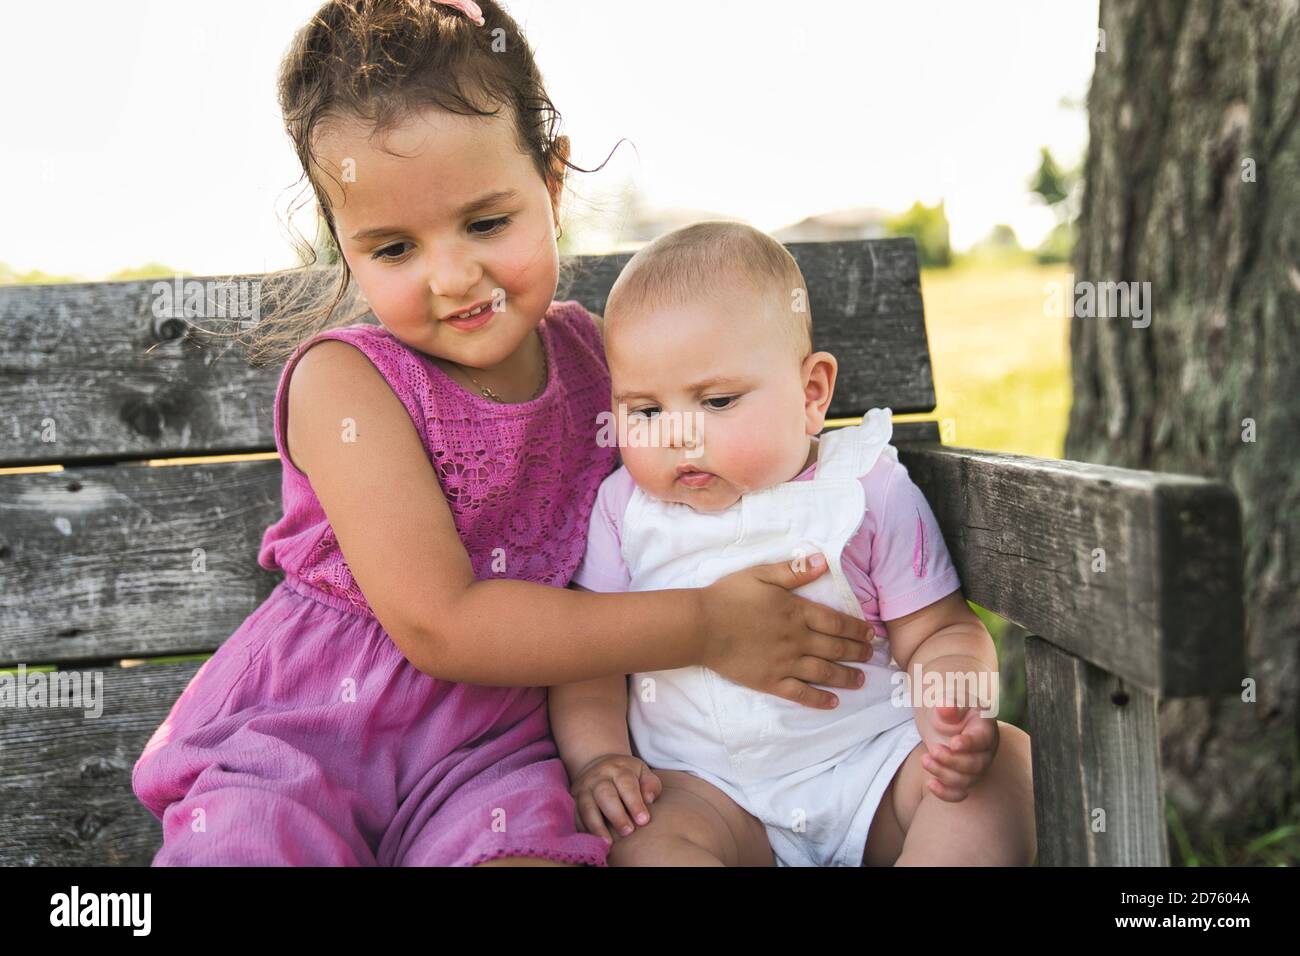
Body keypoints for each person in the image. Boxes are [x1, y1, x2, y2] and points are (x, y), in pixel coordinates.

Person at [130, 0, 876, 867]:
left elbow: (729, 472)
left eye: (487, 223)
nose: (452, 276)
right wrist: (708, 626)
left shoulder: (605, 366)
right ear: (341, 242)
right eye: (394, 249)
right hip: (306, 736)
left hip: (499, 751)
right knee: (253, 849)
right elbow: (442, 624)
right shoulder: (349, 382)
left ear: (552, 185)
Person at [551, 221, 1037, 866]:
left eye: (717, 400)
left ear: (811, 394)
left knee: (1004, 768)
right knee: (644, 841)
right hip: (706, 793)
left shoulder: (864, 487)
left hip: (870, 773)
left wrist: (952, 700)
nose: (677, 436)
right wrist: (601, 757)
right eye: (644, 411)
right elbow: (593, 658)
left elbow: (941, 630)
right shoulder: (624, 511)